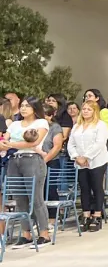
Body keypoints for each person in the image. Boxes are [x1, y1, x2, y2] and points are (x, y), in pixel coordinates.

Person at [0, 97, 51, 246]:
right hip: (14, 161)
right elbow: (4, 140)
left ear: (35, 108)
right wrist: (9, 145)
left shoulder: (41, 123)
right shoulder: (15, 124)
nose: (23, 108)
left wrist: (10, 144)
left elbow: (34, 142)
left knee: (36, 199)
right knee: (20, 199)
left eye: (27, 106)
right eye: (22, 106)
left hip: (32, 160)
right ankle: (26, 233)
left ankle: (44, 233)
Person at [67, 101, 108, 232]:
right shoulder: (77, 126)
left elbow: (100, 143)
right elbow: (70, 143)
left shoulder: (100, 125)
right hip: (80, 162)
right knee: (84, 188)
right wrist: (76, 156)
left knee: (96, 187)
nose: (85, 111)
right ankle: (86, 215)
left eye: (89, 109)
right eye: (84, 109)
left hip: (97, 160)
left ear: (94, 111)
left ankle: (97, 215)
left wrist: (86, 156)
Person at [41, 104, 65, 208]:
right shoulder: (35, 127)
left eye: (44, 115)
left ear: (50, 116)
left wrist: (45, 160)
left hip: (51, 162)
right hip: (35, 161)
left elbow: (57, 146)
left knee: (50, 189)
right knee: (39, 190)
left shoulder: (55, 127)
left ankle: (51, 218)